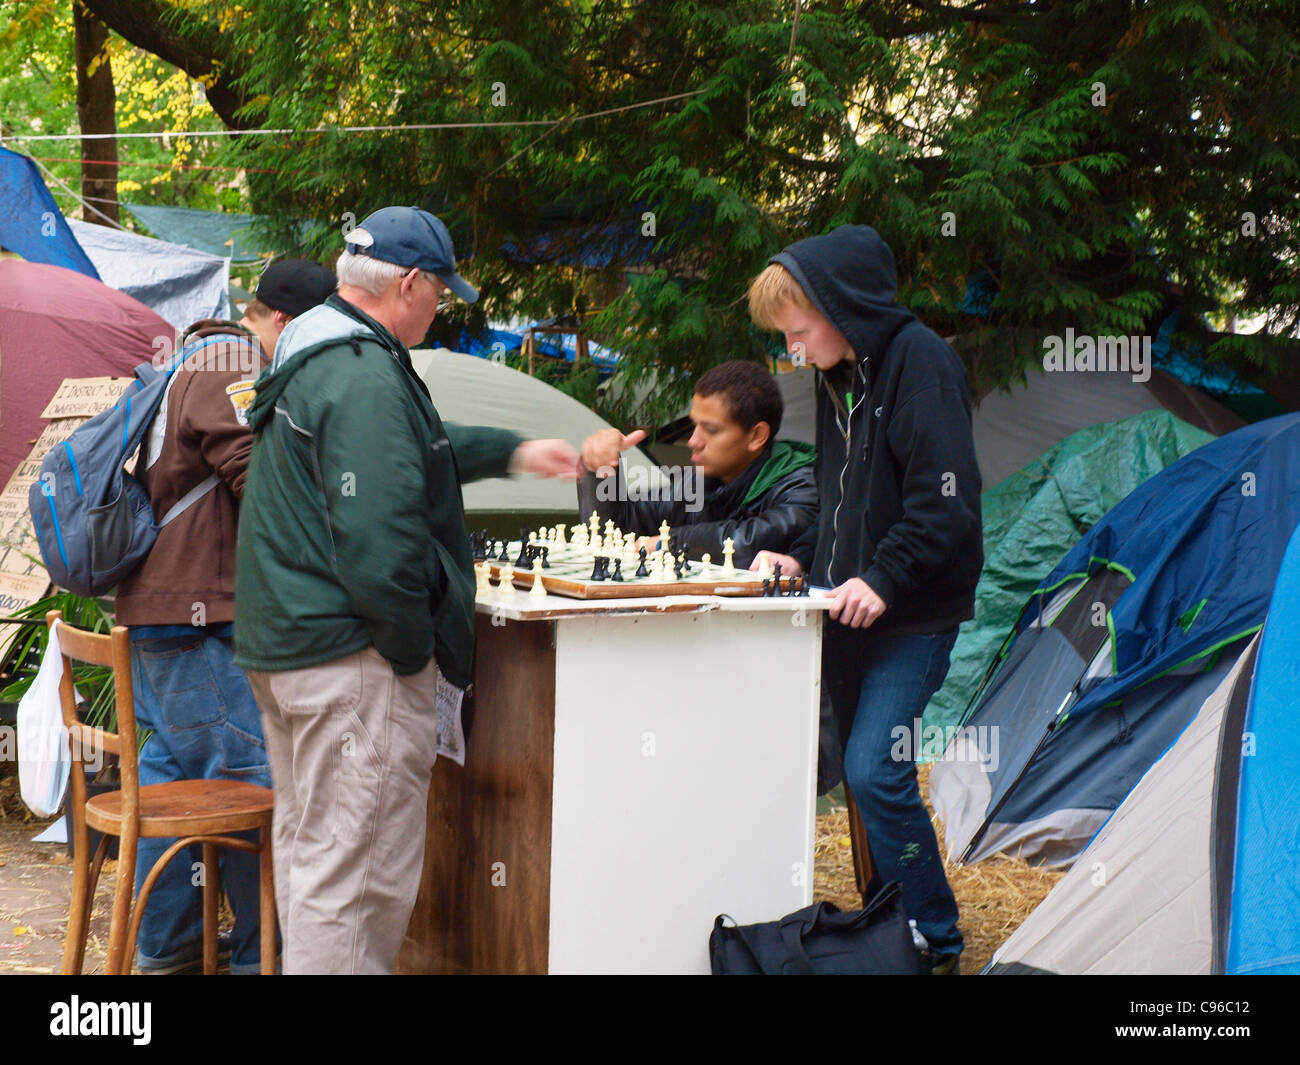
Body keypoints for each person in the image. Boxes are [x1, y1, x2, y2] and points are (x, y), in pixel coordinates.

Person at [233, 205, 580, 974]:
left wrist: (518, 453)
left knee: (314, 863)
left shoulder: (318, 351)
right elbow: (381, 548)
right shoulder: (361, 372)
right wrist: (415, 655)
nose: (441, 307)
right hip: (352, 660)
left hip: (290, 651)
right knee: (355, 887)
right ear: (411, 283)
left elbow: (411, 448)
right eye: (441, 293)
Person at [746, 225, 983, 974]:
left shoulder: (923, 363)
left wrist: (881, 578)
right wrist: (805, 556)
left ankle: (937, 934)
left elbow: (946, 505)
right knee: (857, 776)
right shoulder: (838, 373)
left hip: (912, 612)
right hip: (845, 608)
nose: (792, 347)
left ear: (841, 306)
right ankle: (888, 923)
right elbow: (841, 500)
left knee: (876, 768)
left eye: (797, 329)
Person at [114, 258, 337, 974]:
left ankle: (167, 947)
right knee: (249, 779)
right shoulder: (233, 360)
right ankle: (255, 957)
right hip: (196, 618)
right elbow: (254, 468)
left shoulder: (188, 357)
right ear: (285, 321)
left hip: (163, 614)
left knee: (173, 768)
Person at [577, 360, 818, 569]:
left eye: (710, 430)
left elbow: (748, 542)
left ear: (756, 436)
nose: (693, 441)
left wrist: (665, 543)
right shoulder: (697, 483)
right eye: (695, 425)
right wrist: (601, 469)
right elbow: (616, 532)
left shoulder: (802, 485)